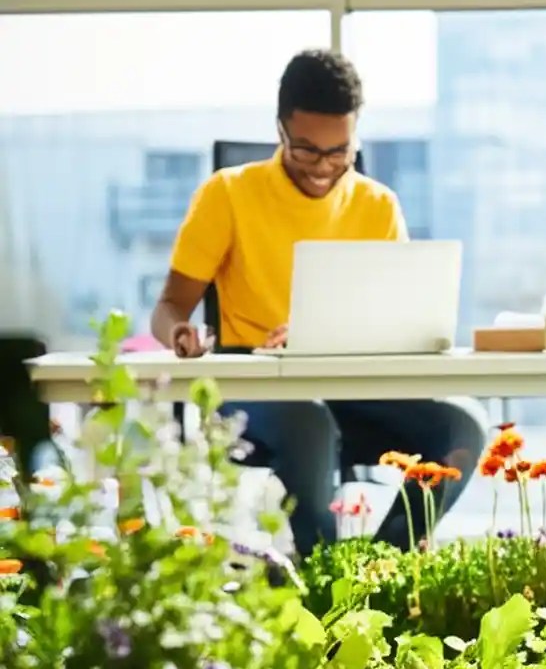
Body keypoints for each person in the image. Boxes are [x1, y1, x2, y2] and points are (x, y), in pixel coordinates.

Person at [149, 49, 484, 556]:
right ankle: (324, 579)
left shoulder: (377, 205)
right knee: (309, 420)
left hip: (350, 385)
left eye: (339, 152)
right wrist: (180, 332)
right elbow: (170, 306)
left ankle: (379, 570)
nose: (324, 168)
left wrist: (321, 337)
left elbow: (393, 318)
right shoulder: (228, 194)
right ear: (280, 130)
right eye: (306, 151)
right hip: (258, 390)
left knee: (463, 426)